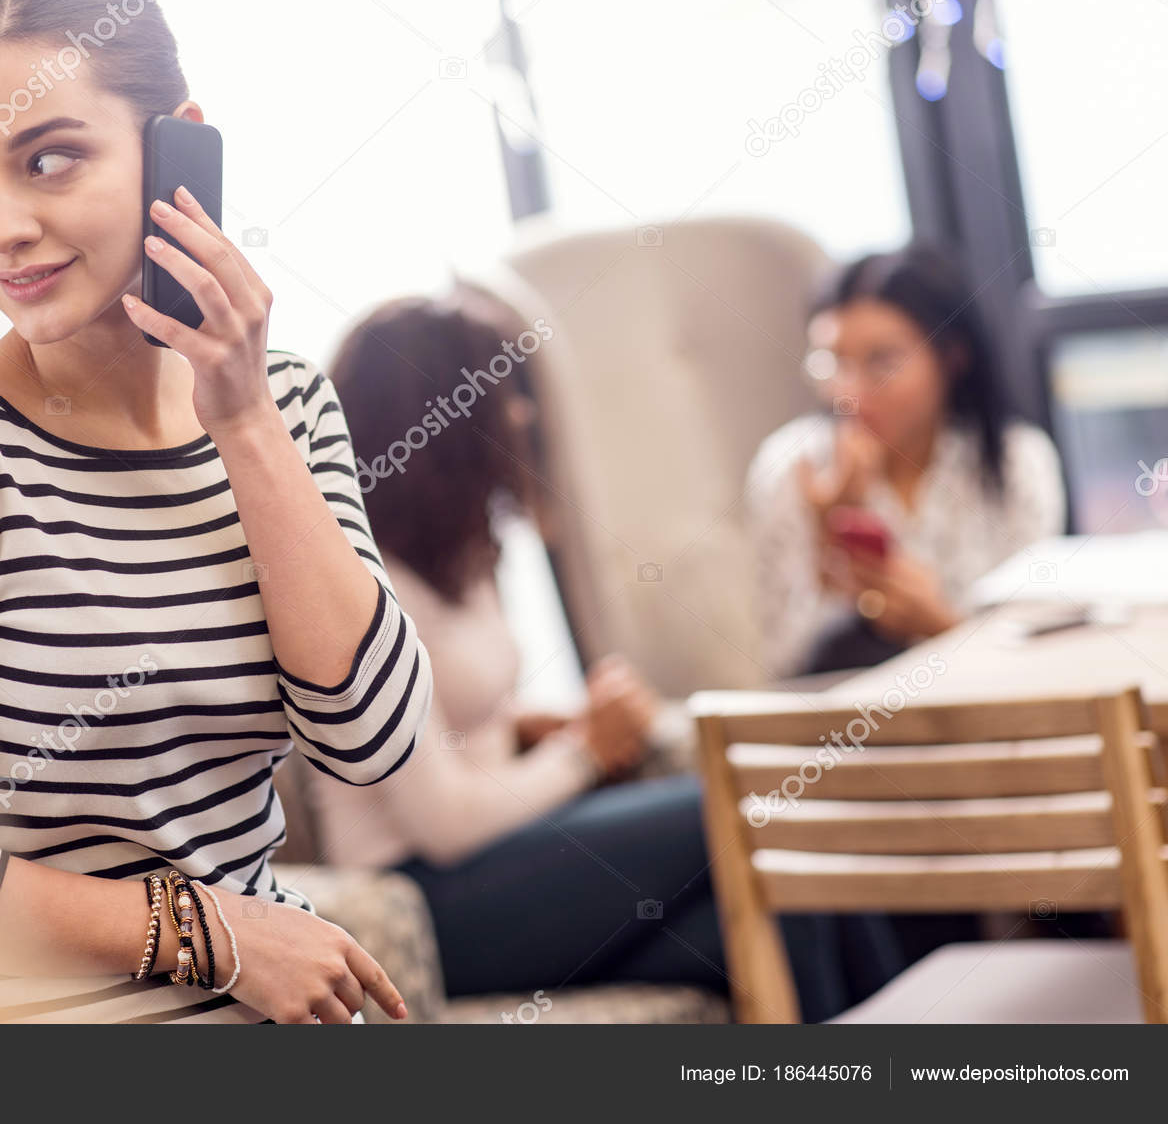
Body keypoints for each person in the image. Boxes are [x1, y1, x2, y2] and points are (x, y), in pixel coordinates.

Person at [0, 0, 430, 1025]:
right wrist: (208, 930)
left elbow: (370, 737)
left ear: (175, 145)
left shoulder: (284, 407)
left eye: (48, 160)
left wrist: (239, 421)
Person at [308, 290, 901, 1020]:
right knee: (760, 797)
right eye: (505, 398)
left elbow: (442, 716)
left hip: (509, 855)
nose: (522, 418)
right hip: (431, 899)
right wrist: (589, 751)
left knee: (774, 916)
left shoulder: (462, 556)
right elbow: (444, 821)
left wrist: (540, 726)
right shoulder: (355, 584)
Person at [746, 243, 1066, 678]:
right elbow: (786, 670)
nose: (850, 393)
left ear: (951, 356)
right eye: (833, 362)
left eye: (882, 362)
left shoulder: (1014, 461)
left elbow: (1038, 659)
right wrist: (826, 539)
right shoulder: (791, 468)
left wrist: (939, 625)